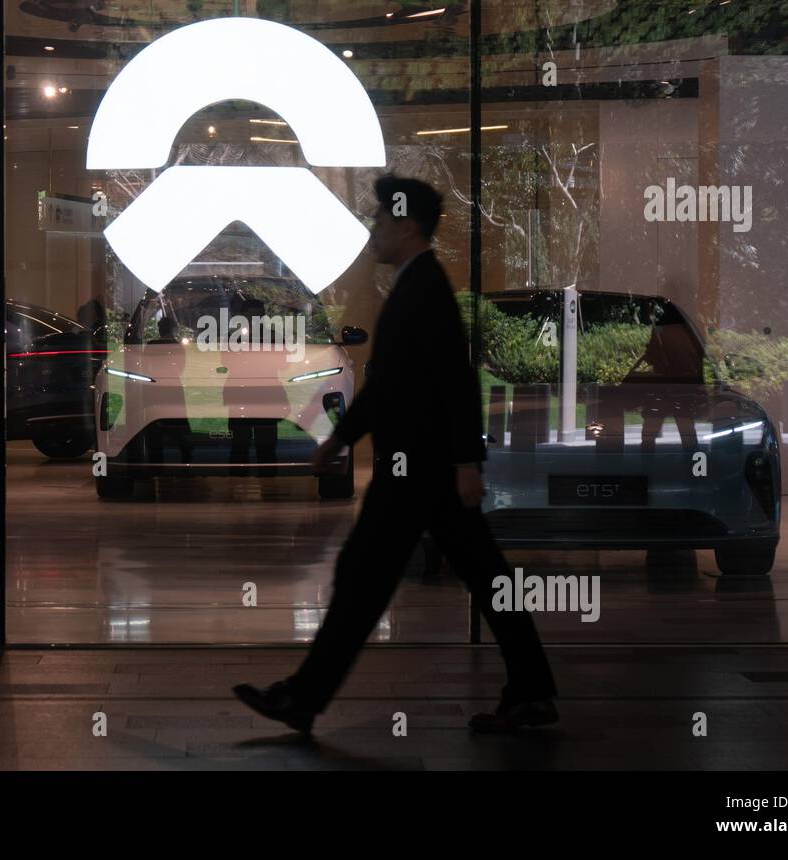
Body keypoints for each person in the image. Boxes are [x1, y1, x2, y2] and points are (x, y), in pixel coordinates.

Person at [233, 175, 559, 735]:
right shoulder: (417, 285)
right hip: (422, 473)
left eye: (382, 219)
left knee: (375, 576)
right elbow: (390, 386)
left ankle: (304, 698)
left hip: (422, 473)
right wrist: (341, 438)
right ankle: (531, 692)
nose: (374, 229)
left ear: (407, 225)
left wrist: (462, 463)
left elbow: (453, 381)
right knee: (466, 577)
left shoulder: (424, 289)